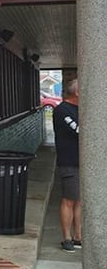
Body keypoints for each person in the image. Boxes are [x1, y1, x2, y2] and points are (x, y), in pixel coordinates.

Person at [52, 78, 81, 252]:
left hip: (82, 161)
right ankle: (67, 238)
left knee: (79, 201)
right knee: (69, 199)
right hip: (69, 161)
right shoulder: (62, 110)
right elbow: (78, 131)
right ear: (77, 92)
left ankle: (78, 236)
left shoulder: (80, 109)